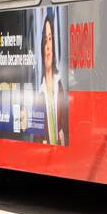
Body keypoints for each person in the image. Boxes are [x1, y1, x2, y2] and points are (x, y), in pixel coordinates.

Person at [38, 9, 68, 146]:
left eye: (50, 39)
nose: (48, 46)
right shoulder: (39, 92)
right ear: (42, 48)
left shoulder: (60, 84)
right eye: (45, 41)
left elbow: (66, 125)